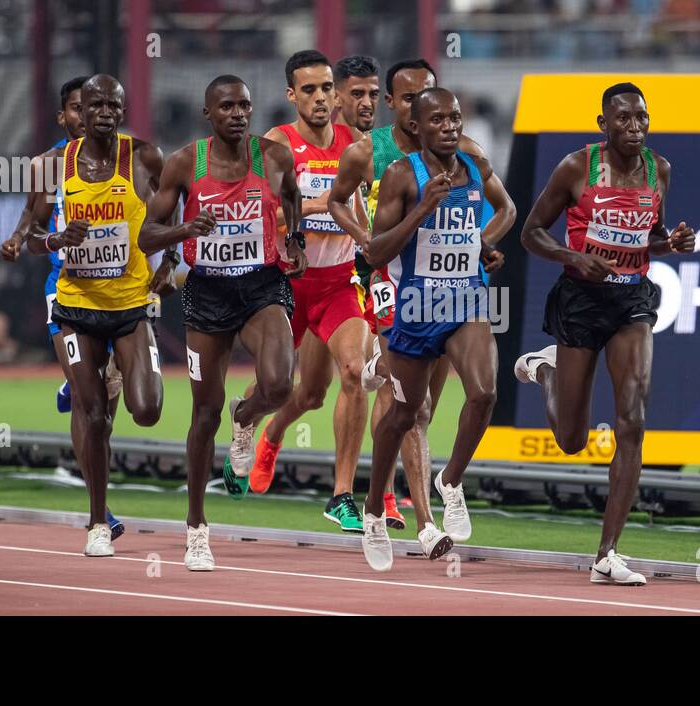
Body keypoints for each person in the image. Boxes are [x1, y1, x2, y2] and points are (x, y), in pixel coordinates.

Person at [515, 82, 695, 586]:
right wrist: (573, 257)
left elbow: (647, 239)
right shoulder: (576, 167)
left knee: (632, 418)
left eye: (642, 118)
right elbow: (531, 231)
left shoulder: (659, 170)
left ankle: (607, 553)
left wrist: (670, 243)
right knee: (571, 441)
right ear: (603, 124)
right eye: (624, 119)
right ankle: (547, 369)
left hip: (632, 302)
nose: (635, 127)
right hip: (580, 300)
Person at [327, 58, 515, 536]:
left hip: (463, 293)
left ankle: (446, 487)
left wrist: (482, 246)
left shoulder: (470, 156)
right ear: (400, 109)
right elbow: (352, 219)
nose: (437, 117)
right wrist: (367, 233)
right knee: (410, 409)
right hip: (398, 286)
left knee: (477, 392)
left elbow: (505, 209)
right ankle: (393, 507)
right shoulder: (375, 157)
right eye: (412, 99)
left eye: (439, 103)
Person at [140, 75, 307, 571]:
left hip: (260, 284)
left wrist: (293, 239)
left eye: (245, 106)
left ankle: (248, 415)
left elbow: (294, 198)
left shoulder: (273, 157)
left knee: (279, 384)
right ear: (207, 113)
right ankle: (196, 526)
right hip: (207, 292)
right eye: (228, 106)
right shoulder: (183, 164)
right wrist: (185, 230)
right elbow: (147, 236)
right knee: (203, 414)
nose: (238, 113)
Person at [0, 75, 176, 541]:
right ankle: (99, 519)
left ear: (121, 109)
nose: (92, 114)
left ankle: (90, 377)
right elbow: (32, 229)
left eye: (105, 105)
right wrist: (50, 240)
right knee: (92, 409)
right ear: (67, 114)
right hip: (70, 298)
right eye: (83, 106)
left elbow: (172, 203)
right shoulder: (50, 165)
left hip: (129, 302)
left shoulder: (143, 157)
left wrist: (171, 262)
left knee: (146, 409)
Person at [247, 50, 371, 534]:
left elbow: (359, 215)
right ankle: (262, 429)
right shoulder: (277, 144)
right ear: (291, 95)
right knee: (297, 393)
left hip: (338, 282)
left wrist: (365, 232)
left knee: (355, 373)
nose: (320, 99)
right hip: (285, 285)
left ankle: (342, 495)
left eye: (326, 90)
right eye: (310, 90)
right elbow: (266, 216)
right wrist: (324, 201)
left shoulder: (354, 144)